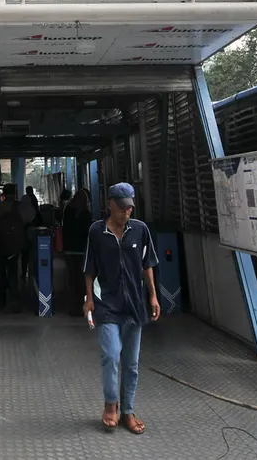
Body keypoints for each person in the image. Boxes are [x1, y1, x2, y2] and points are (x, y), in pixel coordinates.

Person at [83, 182, 160, 434]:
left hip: (134, 305)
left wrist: (153, 296)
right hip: (106, 304)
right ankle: (110, 402)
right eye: (121, 207)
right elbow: (89, 267)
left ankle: (128, 411)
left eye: (130, 208)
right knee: (111, 354)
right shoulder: (96, 231)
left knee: (131, 363)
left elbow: (147, 264)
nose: (126, 212)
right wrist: (89, 299)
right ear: (110, 205)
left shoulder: (140, 230)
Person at [0, 183, 27, 313]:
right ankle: (15, 302)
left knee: (1, 272)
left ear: (4, 194)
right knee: (13, 272)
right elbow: (29, 219)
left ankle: (1, 301)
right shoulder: (20, 208)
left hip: (0, 245)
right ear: (15, 193)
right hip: (15, 246)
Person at [61, 188, 93, 316]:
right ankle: (81, 306)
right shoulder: (85, 213)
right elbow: (87, 231)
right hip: (81, 251)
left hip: (69, 250)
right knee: (82, 280)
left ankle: (73, 307)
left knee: (72, 279)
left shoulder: (68, 210)